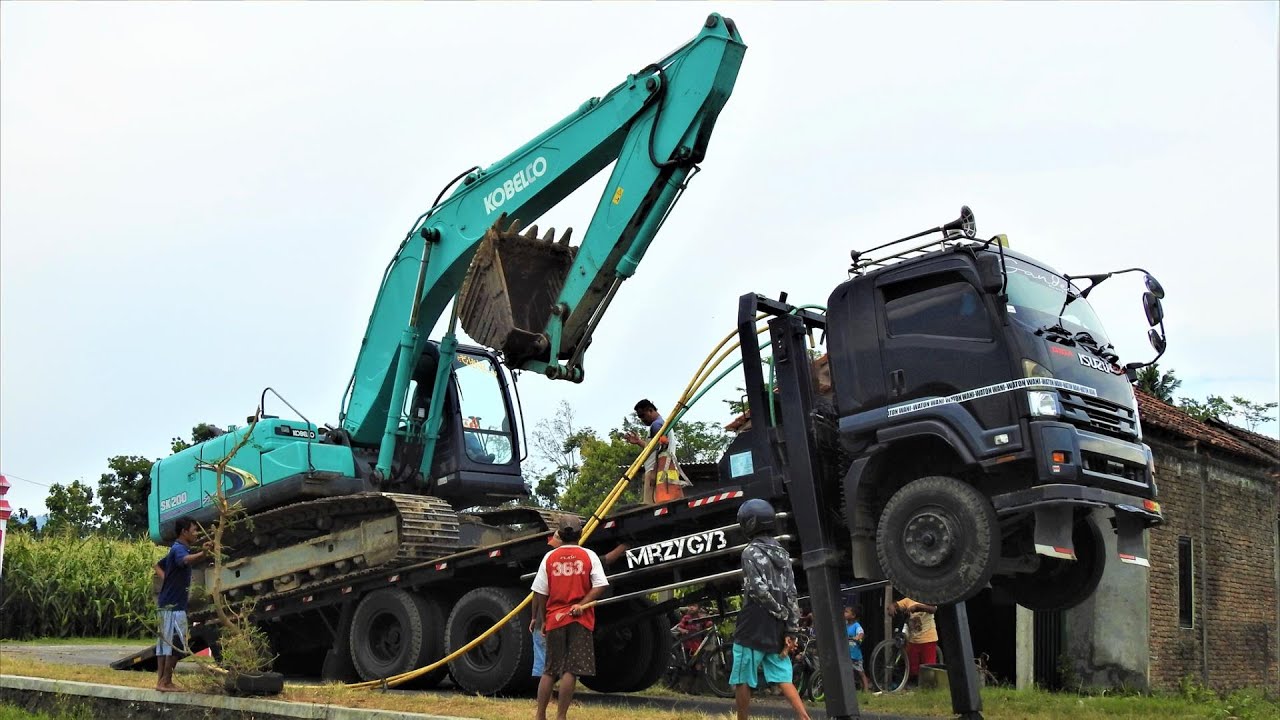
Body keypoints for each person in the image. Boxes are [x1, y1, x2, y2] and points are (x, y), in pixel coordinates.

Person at [728, 498, 810, 720]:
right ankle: (804, 717)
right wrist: (791, 628)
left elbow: (757, 590)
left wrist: (778, 612)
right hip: (777, 627)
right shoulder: (783, 553)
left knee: (743, 677)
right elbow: (792, 593)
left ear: (749, 524)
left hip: (753, 622)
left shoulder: (750, 553)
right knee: (783, 676)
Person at [531, 523, 609, 720]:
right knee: (571, 670)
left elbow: (540, 592)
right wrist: (581, 604)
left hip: (555, 619)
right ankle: (561, 716)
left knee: (549, 670)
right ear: (580, 533)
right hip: (580, 619)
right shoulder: (589, 556)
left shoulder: (549, 557)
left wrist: (542, 618)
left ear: (559, 534)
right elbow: (600, 585)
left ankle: (540, 715)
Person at [154, 518, 210, 692]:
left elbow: (157, 565)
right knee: (178, 645)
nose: (196, 533)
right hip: (175, 606)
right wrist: (202, 554)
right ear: (184, 532)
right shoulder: (179, 549)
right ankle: (166, 681)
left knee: (165, 645)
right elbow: (185, 560)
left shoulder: (175, 549)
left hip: (167, 603)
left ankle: (161, 682)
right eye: (194, 530)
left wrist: (167, 579)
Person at [624, 398, 690, 504]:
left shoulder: (656, 425)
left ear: (650, 411)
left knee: (650, 506)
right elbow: (655, 448)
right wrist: (639, 442)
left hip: (655, 470)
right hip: (660, 469)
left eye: (642, 415)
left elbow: (663, 446)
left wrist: (654, 472)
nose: (642, 419)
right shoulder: (662, 424)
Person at [888, 595, 939, 685]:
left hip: (928, 639)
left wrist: (918, 607)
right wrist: (891, 607)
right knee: (913, 670)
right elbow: (895, 605)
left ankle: (929, 689)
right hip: (913, 641)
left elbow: (933, 609)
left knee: (929, 669)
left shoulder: (927, 598)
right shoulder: (908, 600)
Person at [845, 605, 871, 692]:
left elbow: (861, 633)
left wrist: (858, 637)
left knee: (860, 673)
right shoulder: (845, 625)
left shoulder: (856, 625)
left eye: (846, 612)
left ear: (853, 615)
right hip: (847, 654)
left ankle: (866, 689)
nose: (844, 613)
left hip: (855, 655)